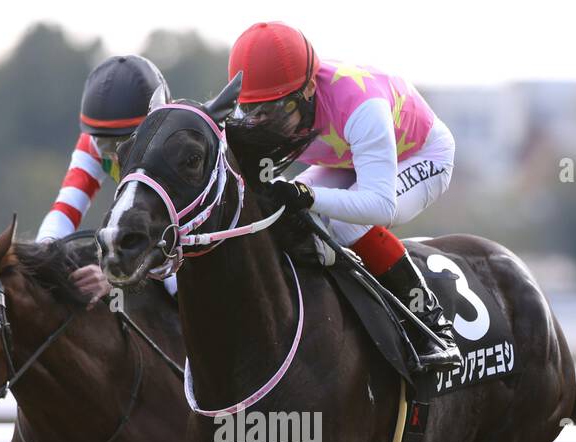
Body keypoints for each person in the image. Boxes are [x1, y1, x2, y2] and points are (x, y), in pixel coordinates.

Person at [228, 22, 462, 371]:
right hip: (348, 154)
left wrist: (307, 195)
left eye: (278, 111)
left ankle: (430, 325)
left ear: (308, 88)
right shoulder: (263, 103)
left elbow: (383, 206)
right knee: (282, 213)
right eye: (256, 111)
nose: (266, 124)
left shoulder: (360, 108)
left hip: (419, 153)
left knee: (346, 223)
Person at [37, 55, 171, 302]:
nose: (113, 154)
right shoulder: (92, 143)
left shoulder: (173, 144)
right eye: (104, 142)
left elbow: (174, 243)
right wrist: (42, 259)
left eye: (122, 141)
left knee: (174, 285)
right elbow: (64, 211)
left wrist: (113, 277)